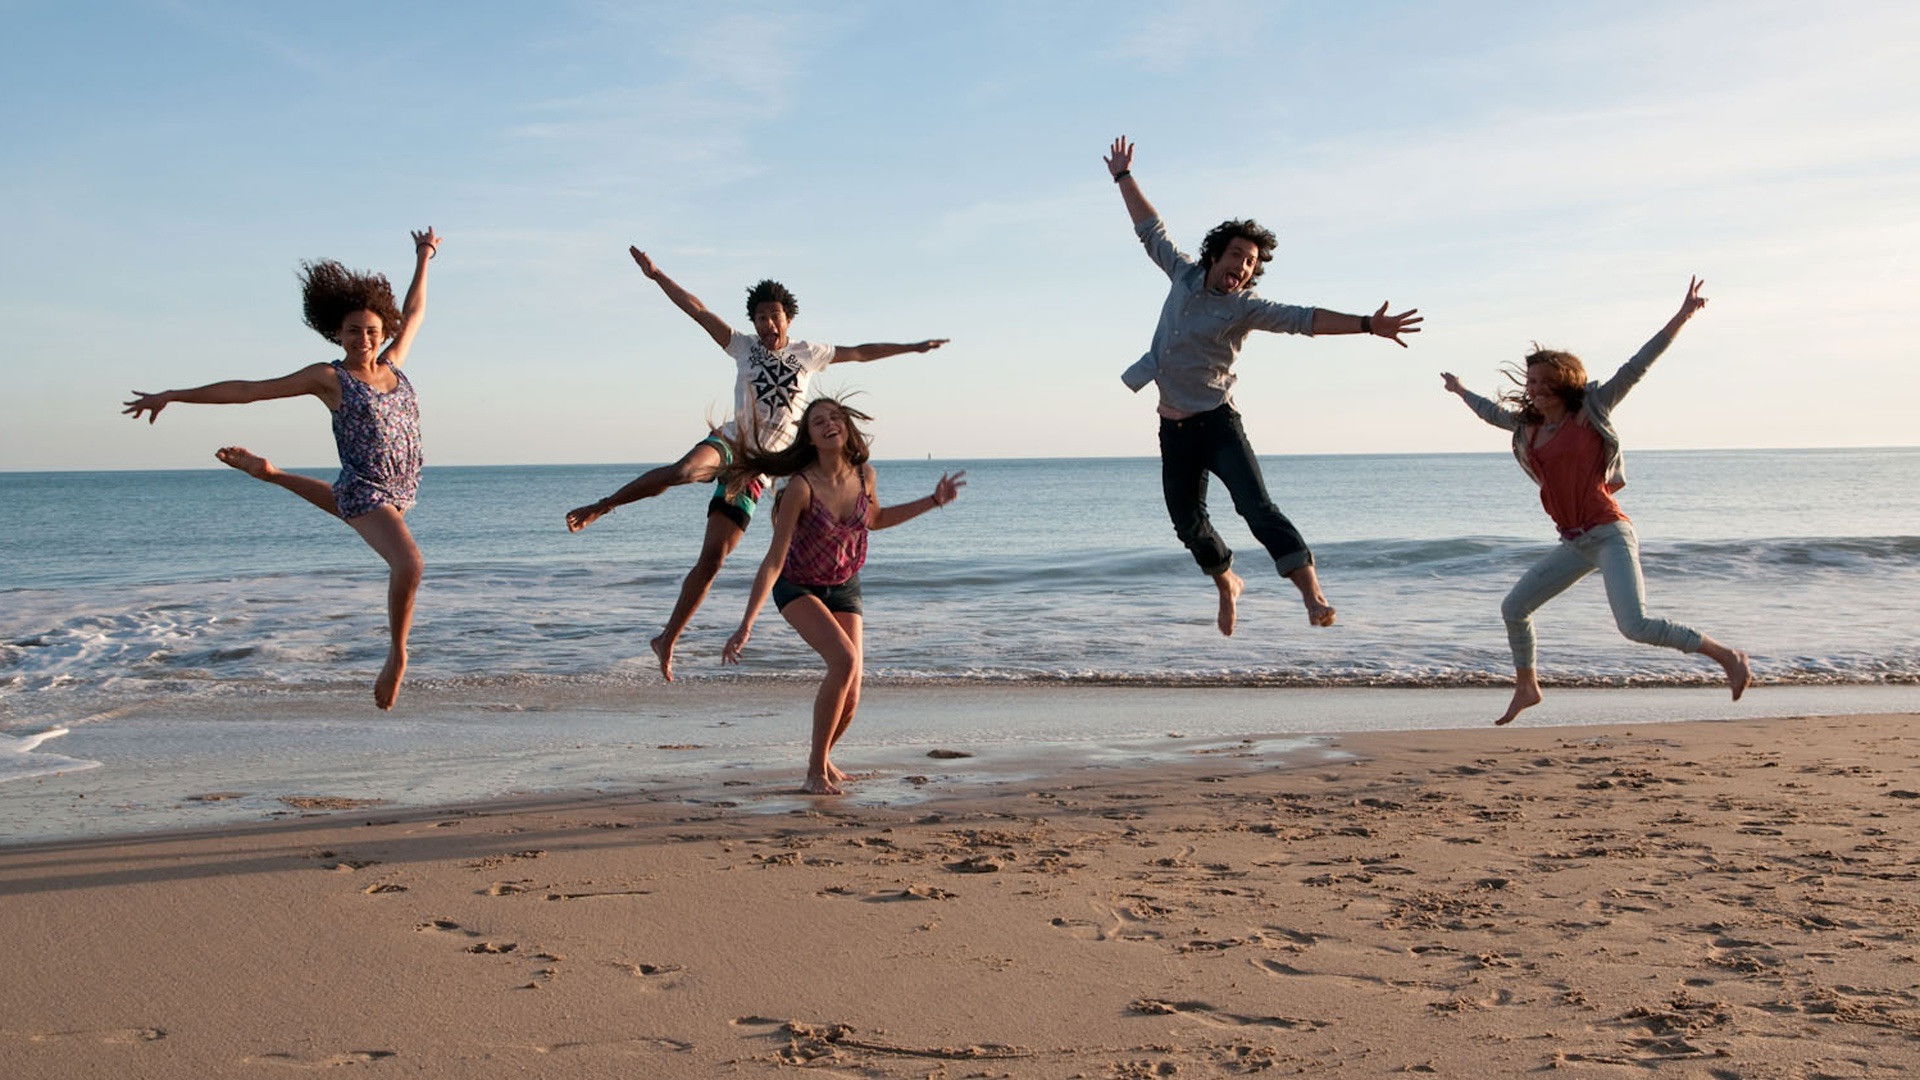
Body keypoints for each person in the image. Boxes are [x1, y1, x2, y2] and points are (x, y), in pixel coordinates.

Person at [566, 249, 949, 681]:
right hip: (732, 444)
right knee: (683, 471)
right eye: (761, 317)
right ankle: (605, 504)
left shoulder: (809, 353)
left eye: (774, 316)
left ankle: (667, 637)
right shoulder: (742, 347)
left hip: (759, 469)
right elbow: (698, 311)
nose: (768, 324)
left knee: (714, 559)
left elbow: (860, 352)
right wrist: (657, 276)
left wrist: (912, 348)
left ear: (788, 319)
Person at [1103, 136, 1422, 636]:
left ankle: (1312, 595)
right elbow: (1149, 229)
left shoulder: (1246, 308)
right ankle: (1228, 581)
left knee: (1256, 507)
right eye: (1237, 255)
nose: (1243, 266)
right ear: (1215, 255)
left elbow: (1304, 319)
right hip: (1173, 429)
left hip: (1217, 425)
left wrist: (1366, 324)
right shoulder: (1182, 275)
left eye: (1251, 262)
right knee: (1187, 523)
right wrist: (1124, 177)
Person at [122, 228, 441, 710]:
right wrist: (174, 395)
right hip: (369, 488)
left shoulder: (395, 364)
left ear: (384, 332)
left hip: (400, 489)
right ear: (338, 334)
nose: (363, 339)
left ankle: (270, 474)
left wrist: (424, 256)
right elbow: (249, 391)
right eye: (353, 331)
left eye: (372, 330)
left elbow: (415, 311)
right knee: (409, 564)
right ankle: (397, 654)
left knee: (348, 505)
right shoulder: (330, 377)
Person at [1441, 277, 1752, 725]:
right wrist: (1460, 391)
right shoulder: (1527, 427)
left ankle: (1727, 656)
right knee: (1514, 608)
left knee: (1635, 626)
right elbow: (1492, 413)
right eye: (1532, 381)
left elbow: (1638, 365)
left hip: (1609, 534)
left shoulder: (1591, 411)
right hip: (1574, 542)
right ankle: (1527, 686)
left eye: (1545, 381)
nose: (1536, 388)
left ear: (1564, 381)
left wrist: (1681, 316)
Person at [718, 397, 965, 795]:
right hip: (798, 585)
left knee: (852, 690)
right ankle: (815, 772)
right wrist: (747, 624)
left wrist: (934, 501)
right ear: (810, 438)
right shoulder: (800, 488)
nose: (829, 424)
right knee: (843, 660)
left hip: (845, 583)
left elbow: (875, 520)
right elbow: (774, 560)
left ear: (846, 427)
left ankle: (824, 759)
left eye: (834, 417)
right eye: (818, 422)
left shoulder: (865, 475)